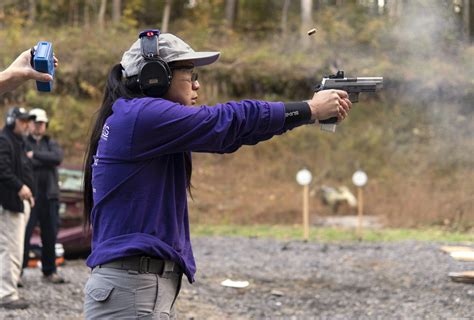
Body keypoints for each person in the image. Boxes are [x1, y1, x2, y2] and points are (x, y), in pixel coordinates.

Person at [82, 30, 352, 319]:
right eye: (190, 74)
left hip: (136, 287)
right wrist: (309, 109)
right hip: (132, 290)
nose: (197, 85)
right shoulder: (142, 116)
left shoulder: (136, 117)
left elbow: (230, 130)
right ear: (155, 76)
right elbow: (228, 122)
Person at [22, 108, 65, 284]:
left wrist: (35, 156)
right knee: (23, 235)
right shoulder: (23, 143)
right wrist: (43, 160)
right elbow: (23, 161)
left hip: (49, 196)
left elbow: (57, 157)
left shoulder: (51, 143)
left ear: (45, 125)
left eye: (41, 123)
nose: (39, 126)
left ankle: (49, 271)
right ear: (29, 124)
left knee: (50, 235)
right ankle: (18, 272)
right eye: (35, 123)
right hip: (30, 197)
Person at [0, 107, 36, 310]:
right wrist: (20, 187)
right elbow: (2, 168)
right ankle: (6, 294)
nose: (26, 124)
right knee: (11, 250)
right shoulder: (4, 140)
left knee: (12, 249)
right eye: (22, 121)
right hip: (10, 203)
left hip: (19, 203)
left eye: (27, 121)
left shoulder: (17, 142)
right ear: (12, 120)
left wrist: (30, 193)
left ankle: (6, 290)